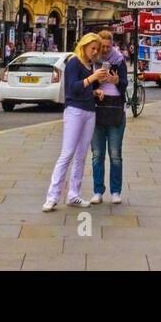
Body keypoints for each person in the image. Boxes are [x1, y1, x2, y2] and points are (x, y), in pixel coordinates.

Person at [43, 34, 111, 212]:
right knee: (67, 154)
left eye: (97, 49)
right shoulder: (74, 62)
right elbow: (72, 88)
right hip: (74, 111)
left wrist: (96, 92)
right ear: (84, 46)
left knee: (81, 156)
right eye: (92, 48)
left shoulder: (90, 65)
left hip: (89, 111)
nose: (95, 52)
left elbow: (85, 88)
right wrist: (92, 78)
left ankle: (74, 194)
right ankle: (52, 197)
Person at [90, 34, 129, 204]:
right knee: (97, 155)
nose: (105, 50)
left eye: (108, 46)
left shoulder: (119, 60)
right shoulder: (92, 60)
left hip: (115, 109)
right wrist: (96, 81)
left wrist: (116, 80)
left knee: (115, 154)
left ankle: (115, 191)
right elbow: (87, 86)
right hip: (97, 109)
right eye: (102, 46)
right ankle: (98, 191)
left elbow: (125, 84)